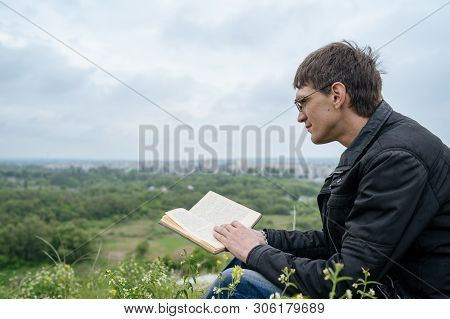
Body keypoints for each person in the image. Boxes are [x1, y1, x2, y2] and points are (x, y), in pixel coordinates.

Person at [203, 41, 450, 299]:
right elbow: (341, 242)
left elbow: (347, 278)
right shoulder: (374, 146)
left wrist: (256, 252)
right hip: (387, 287)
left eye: (303, 103)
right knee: (243, 263)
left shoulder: (397, 158)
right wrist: (263, 239)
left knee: (236, 283)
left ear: (337, 95)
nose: (300, 116)